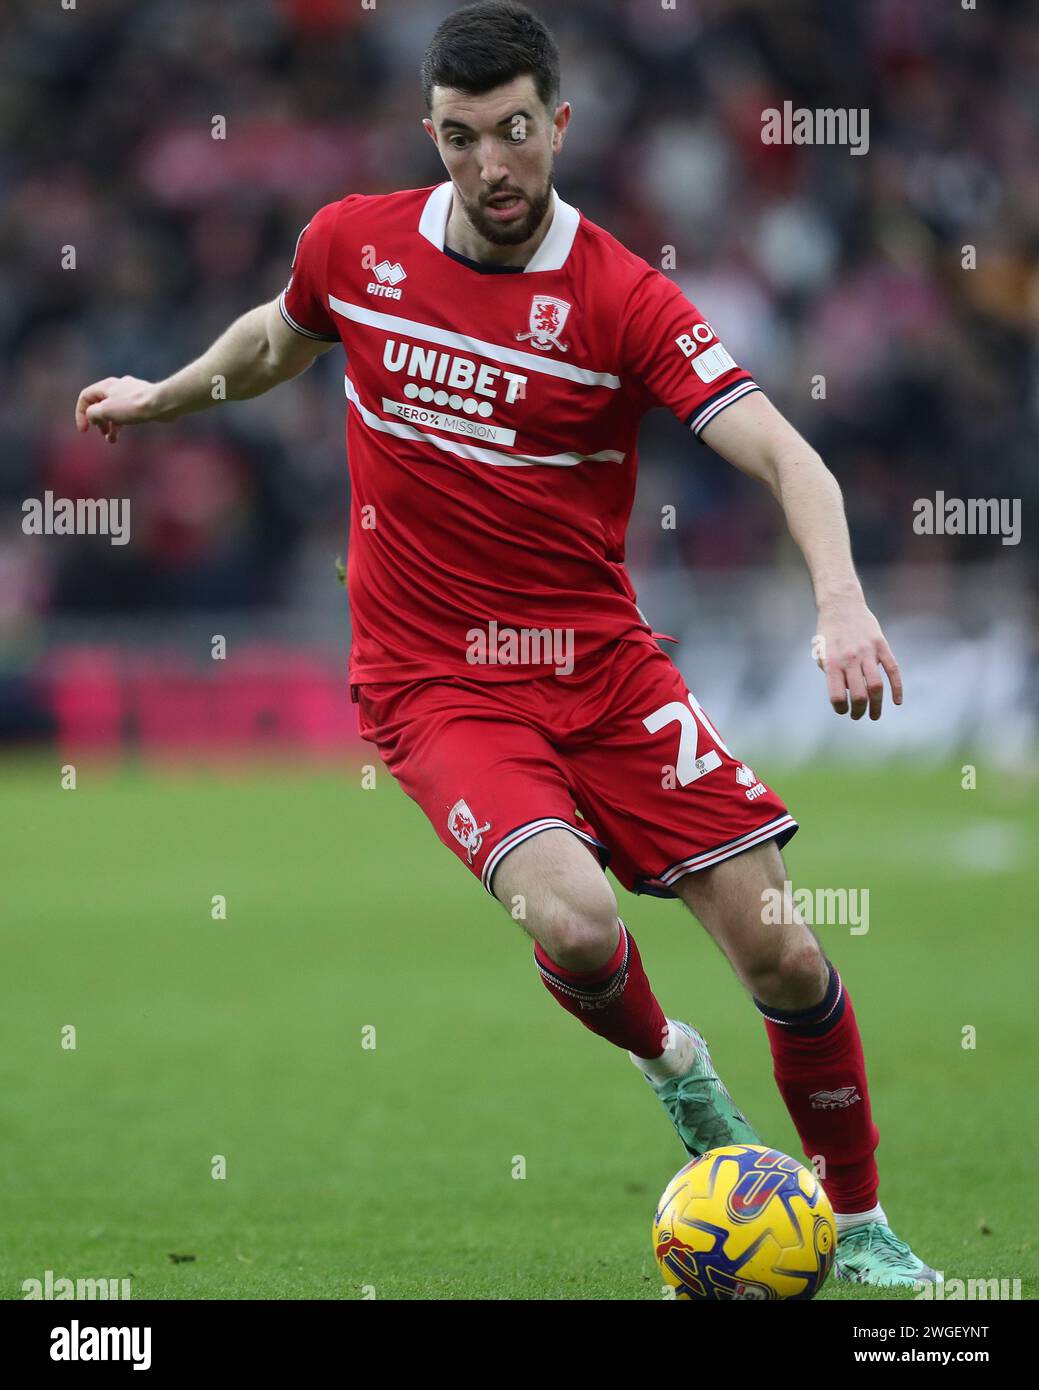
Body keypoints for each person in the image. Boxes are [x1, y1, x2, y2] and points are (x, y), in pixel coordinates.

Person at [75, 0, 937, 1289]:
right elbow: (272, 339)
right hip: (435, 682)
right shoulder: (350, 245)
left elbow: (782, 451)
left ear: (560, 126)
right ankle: (679, 1075)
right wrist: (165, 393)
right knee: (579, 923)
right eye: (466, 136)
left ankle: (863, 1230)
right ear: (432, 131)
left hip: (602, 665)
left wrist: (843, 603)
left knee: (780, 947)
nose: (494, 165)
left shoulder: (621, 298)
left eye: (518, 132)